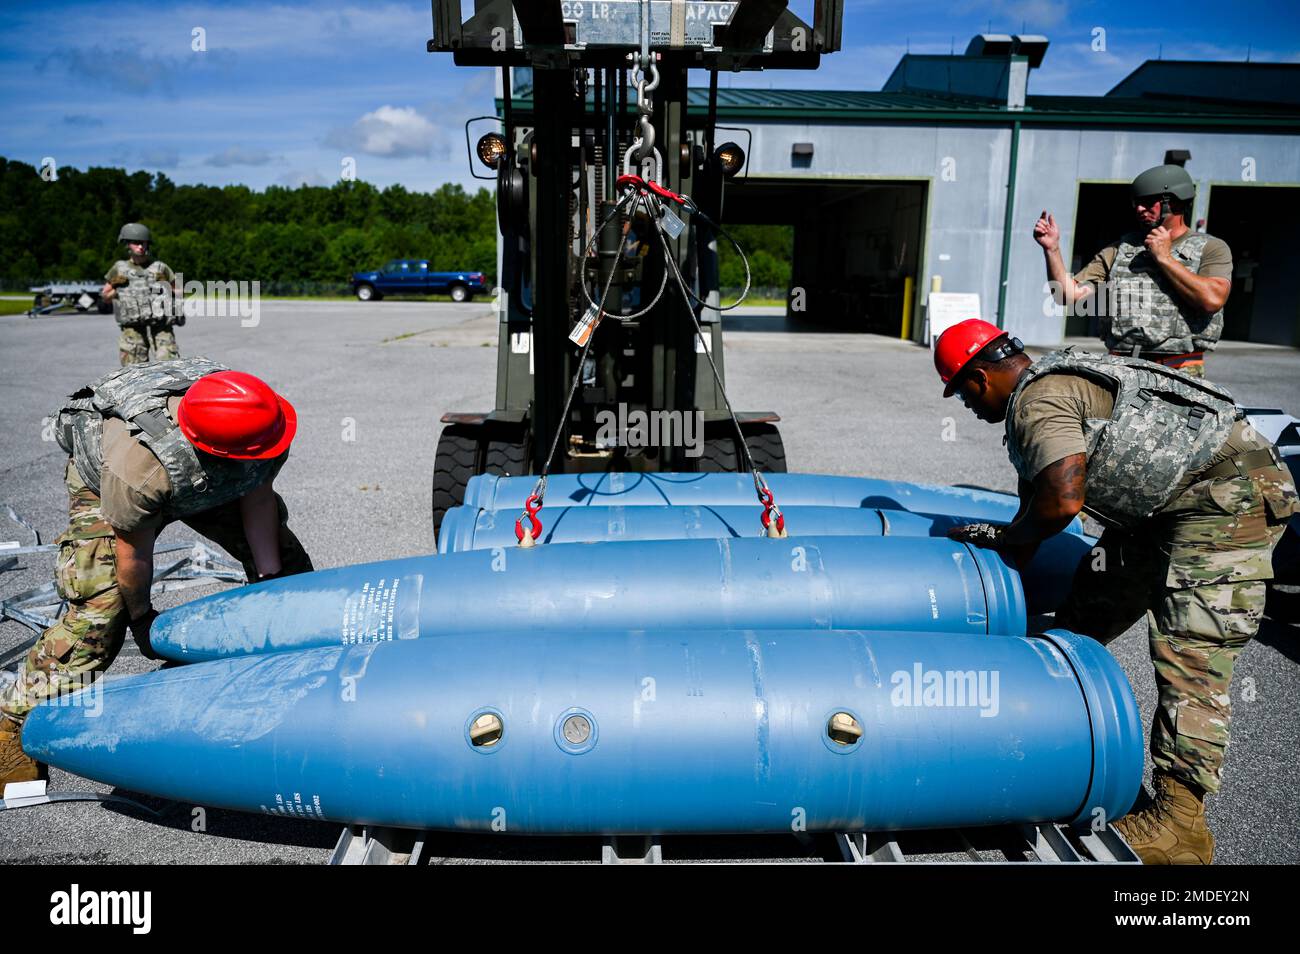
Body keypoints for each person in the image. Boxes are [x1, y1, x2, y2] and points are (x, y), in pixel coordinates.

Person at [934, 318, 1297, 864]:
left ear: (980, 378)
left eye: (962, 394)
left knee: (1191, 652)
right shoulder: (1050, 383)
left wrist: (1013, 537)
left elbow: (1060, 502)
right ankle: (1053, 726)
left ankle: (1181, 827)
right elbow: (1034, 513)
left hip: (1227, 500)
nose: (966, 407)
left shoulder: (1038, 402)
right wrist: (1001, 558)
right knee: (1094, 598)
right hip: (1168, 505)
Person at [0, 358, 314, 785]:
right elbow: (135, 553)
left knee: (290, 571)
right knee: (98, 617)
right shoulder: (138, 469)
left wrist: (272, 584)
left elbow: (257, 497)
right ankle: (12, 725)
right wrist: (142, 619)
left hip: (207, 463)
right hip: (111, 480)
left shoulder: (262, 424)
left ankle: (299, 682)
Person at [1034, 164, 1232, 378]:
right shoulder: (1120, 249)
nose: (1139, 209)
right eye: (1137, 203)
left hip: (1179, 370)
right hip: (1122, 368)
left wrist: (1164, 257)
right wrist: (1052, 249)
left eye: (1148, 202)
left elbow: (1212, 299)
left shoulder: (1210, 248)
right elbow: (1067, 295)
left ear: (1173, 201)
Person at [102, 222, 183, 366]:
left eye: (144, 243)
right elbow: (105, 296)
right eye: (136, 243)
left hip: (161, 325)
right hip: (133, 328)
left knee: (170, 366)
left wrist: (166, 285)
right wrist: (116, 286)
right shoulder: (119, 268)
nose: (140, 246)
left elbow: (180, 292)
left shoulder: (160, 267)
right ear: (127, 244)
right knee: (134, 371)